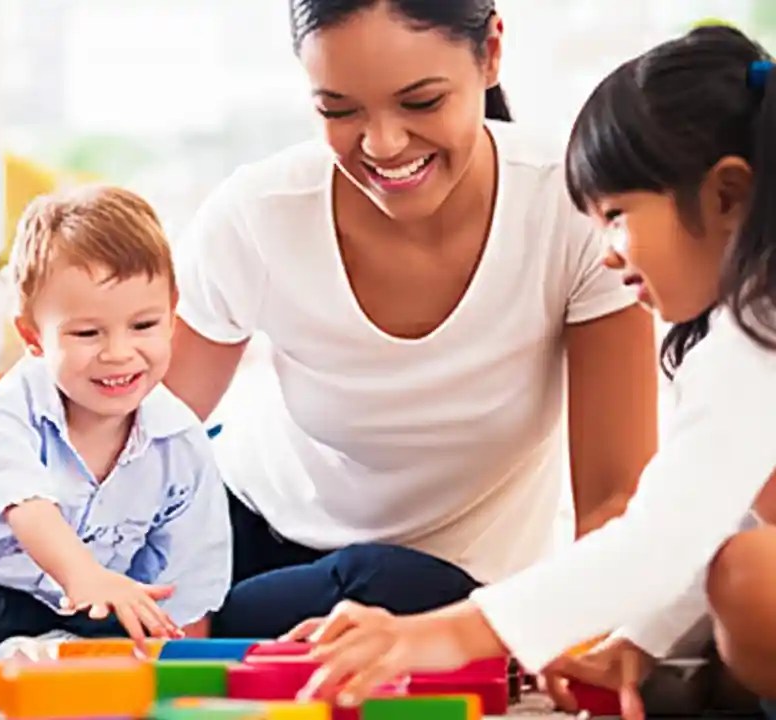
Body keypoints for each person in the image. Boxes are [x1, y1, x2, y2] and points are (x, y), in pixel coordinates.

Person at [0, 0, 657, 650]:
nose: (382, 145)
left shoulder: (574, 208)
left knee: (380, 584)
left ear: (490, 54)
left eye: (421, 102)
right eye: (338, 110)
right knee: (9, 600)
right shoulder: (261, 211)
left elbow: (616, 495)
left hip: (433, 589)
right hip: (239, 532)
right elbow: (132, 412)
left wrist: (592, 641)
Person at [288, 25, 776, 720]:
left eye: (615, 216)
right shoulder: (737, 337)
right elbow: (700, 520)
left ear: (728, 197)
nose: (605, 252)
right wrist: (641, 637)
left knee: (749, 577)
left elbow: (661, 537)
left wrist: (443, 635)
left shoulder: (753, 337)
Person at [0, 185, 231, 657]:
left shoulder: (182, 442)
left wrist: (186, 674)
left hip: (83, 612)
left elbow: (189, 583)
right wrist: (84, 575)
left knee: (131, 622)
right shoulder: (13, 406)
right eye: (88, 333)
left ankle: (53, 649)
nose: (119, 353)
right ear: (33, 337)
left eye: (144, 326)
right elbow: (24, 502)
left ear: (172, 317)